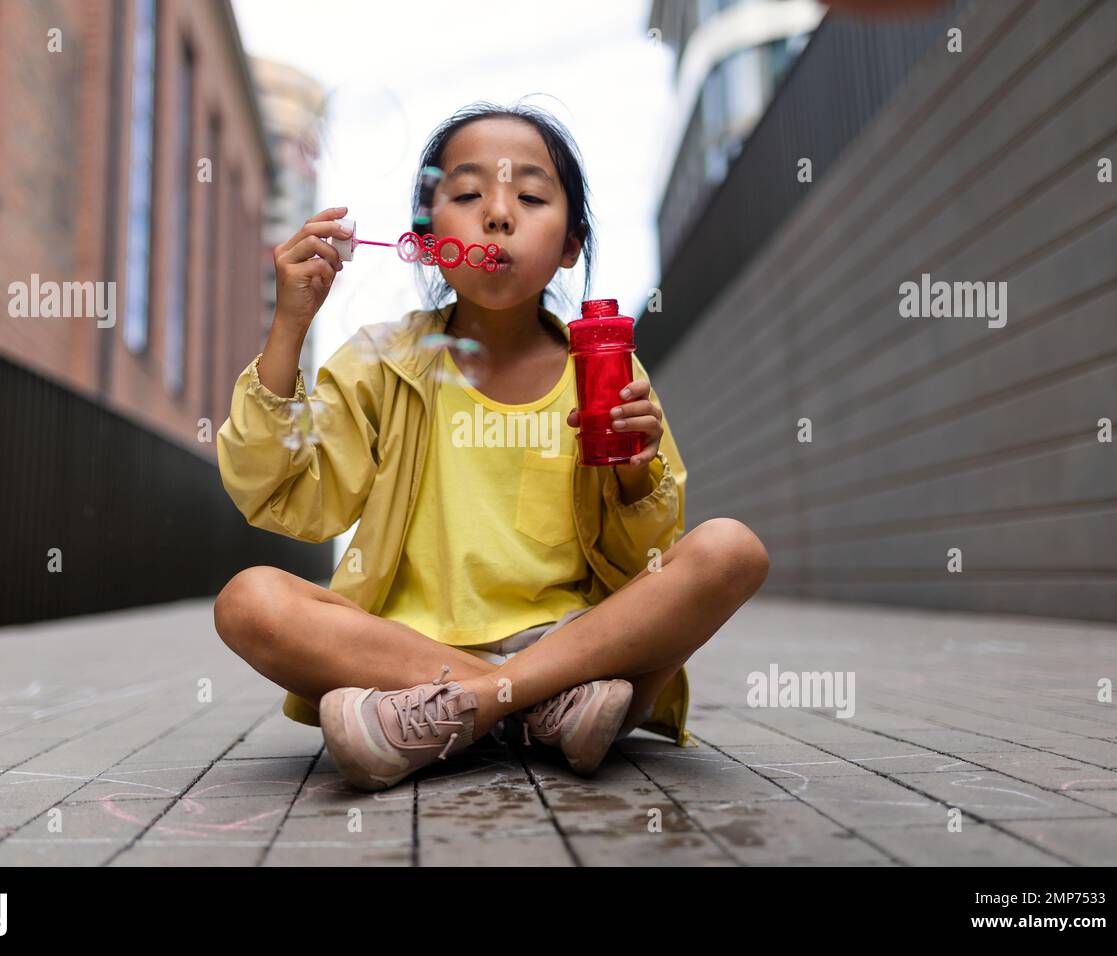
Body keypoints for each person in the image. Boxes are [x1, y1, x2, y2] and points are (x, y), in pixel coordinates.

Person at [214, 102, 769, 792]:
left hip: (576, 648)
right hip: (411, 658)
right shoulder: (381, 364)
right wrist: (289, 326)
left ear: (570, 244)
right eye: (468, 194)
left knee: (730, 550)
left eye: (531, 196)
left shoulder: (603, 369)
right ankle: (538, 711)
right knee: (249, 601)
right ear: (426, 234)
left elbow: (642, 569)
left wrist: (633, 480)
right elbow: (286, 497)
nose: (498, 215)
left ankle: (453, 715)